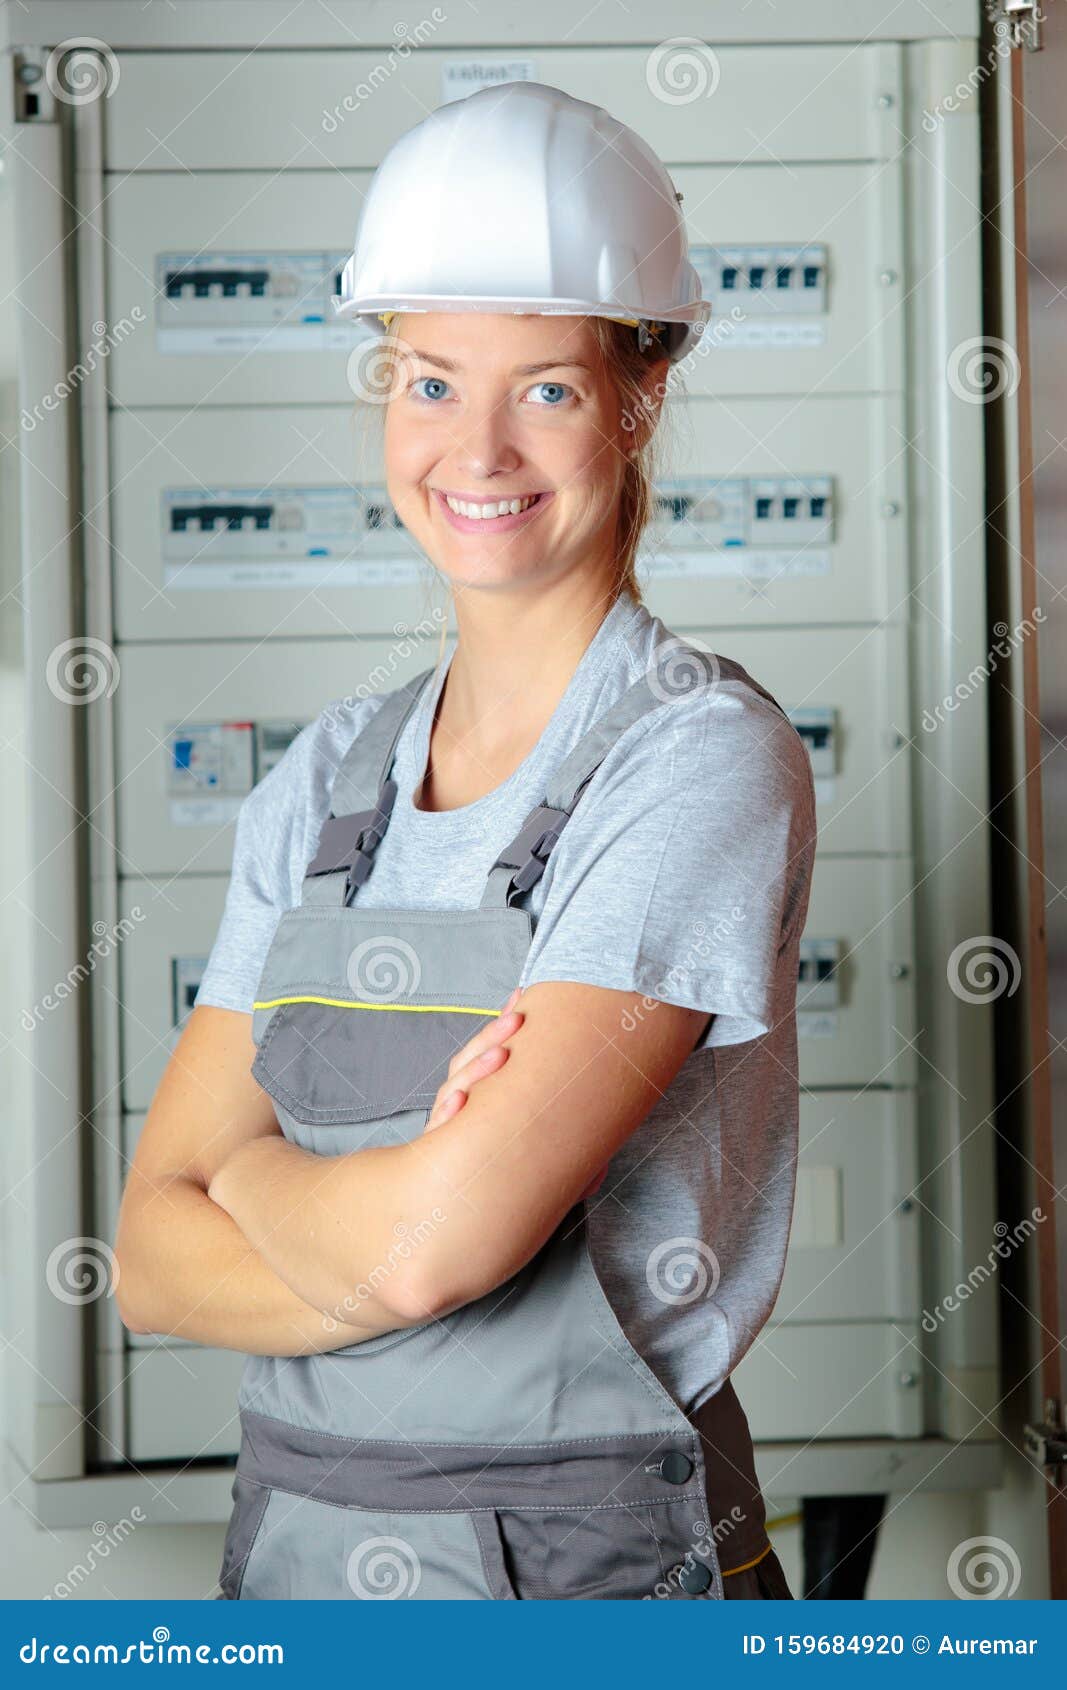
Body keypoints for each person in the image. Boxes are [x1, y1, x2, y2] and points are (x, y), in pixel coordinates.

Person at [114, 81, 816, 1602]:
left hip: (600, 1579)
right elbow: (146, 1261)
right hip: (302, 1561)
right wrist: (393, 1203)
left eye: (547, 388)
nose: (477, 447)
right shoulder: (325, 784)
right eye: (429, 381)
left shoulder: (699, 758)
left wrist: (251, 1180)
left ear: (638, 396)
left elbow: (437, 1249)